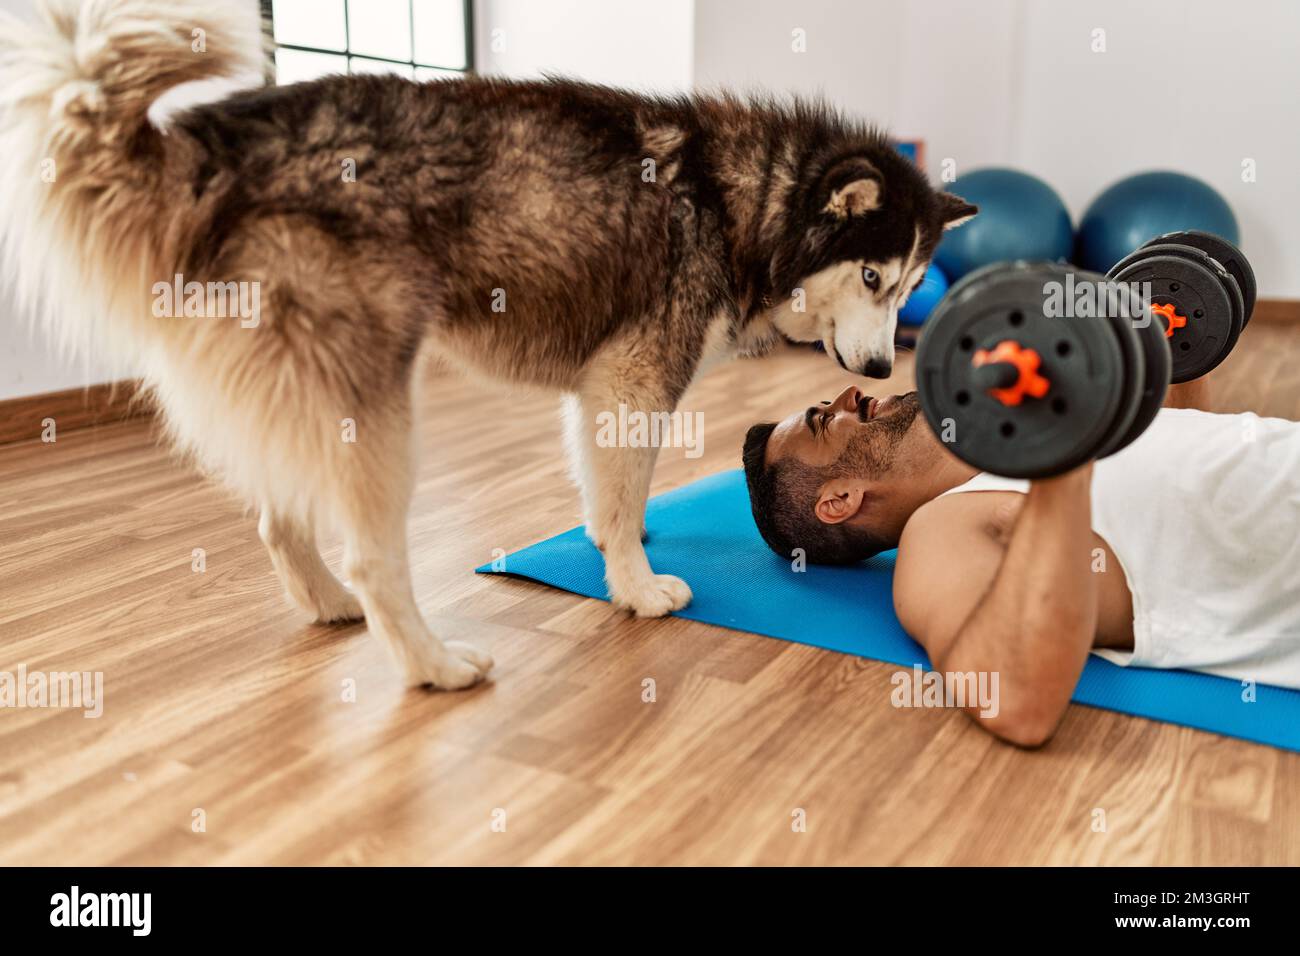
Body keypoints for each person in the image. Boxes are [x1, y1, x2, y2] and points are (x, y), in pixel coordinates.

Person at [741, 384, 1300, 746]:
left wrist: (1163, 352)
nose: (848, 393)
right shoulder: (941, 530)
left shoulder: (1018, 451)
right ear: (839, 499)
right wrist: (1061, 456)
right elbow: (1013, 704)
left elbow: (1179, 473)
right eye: (823, 421)